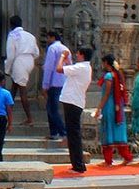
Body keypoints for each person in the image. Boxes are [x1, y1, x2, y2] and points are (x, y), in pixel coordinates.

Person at [96, 54, 133, 166]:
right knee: (117, 130)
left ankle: (108, 160)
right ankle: (127, 156)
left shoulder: (108, 76)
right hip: (118, 107)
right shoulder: (117, 75)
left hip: (109, 107)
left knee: (108, 130)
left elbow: (106, 94)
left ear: (106, 63)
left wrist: (99, 108)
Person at [62, 46, 94, 174]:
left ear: (82, 55)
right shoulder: (84, 68)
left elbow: (59, 69)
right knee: (73, 134)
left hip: (72, 101)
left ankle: (78, 165)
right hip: (75, 101)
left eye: (78, 53)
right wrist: (67, 62)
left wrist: (62, 58)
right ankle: (77, 163)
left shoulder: (81, 67)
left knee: (73, 134)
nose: (76, 55)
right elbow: (71, 71)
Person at [4, 17, 40, 126]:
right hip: (29, 60)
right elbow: (36, 53)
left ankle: (29, 118)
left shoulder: (12, 36)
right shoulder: (30, 36)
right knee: (14, 88)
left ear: (11, 25)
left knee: (22, 90)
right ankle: (5, 114)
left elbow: (11, 55)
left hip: (19, 60)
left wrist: (7, 69)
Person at [41, 28, 70, 144]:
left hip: (54, 82)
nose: (47, 40)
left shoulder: (52, 48)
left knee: (52, 109)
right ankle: (53, 132)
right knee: (51, 107)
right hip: (63, 81)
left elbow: (49, 68)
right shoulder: (65, 49)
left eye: (48, 37)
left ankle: (63, 132)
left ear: (52, 38)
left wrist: (45, 85)